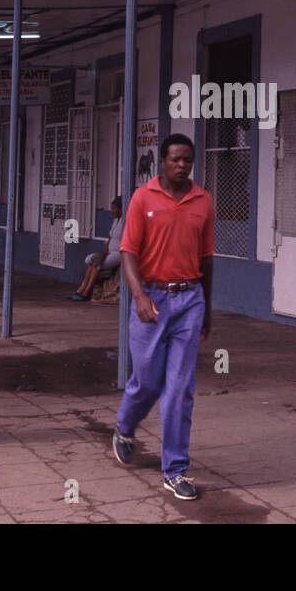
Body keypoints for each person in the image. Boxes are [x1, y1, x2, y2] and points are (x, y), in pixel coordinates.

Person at [111, 134, 214, 500]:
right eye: (175, 159)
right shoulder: (143, 199)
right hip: (151, 299)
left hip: (189, 300)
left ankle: (176, 469)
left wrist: (207, 311)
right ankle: (125, 426)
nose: (182, 165)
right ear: (163, 163)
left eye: (188, 159)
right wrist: (138, 295)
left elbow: (206, 260)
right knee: (149, 382)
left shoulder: (203, 201)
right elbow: (127, 252)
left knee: (179, 390)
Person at [69, 197, 123, 301]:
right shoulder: (116, 220)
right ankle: (80, 290)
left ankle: (86, 293)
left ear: (121, 209)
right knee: (91, 260)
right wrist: (105, 251)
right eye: (111, 208)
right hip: (110, 252)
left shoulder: (126, 221)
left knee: (97, 264)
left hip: (120, 253)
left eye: (114, 208)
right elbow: (111, 237)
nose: (112, 210)